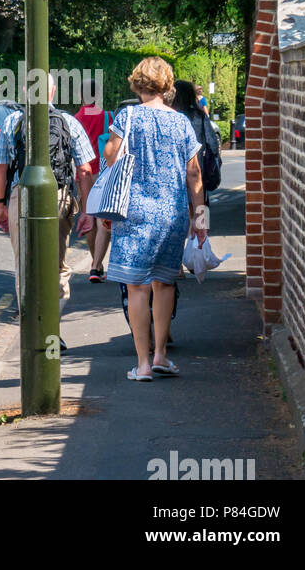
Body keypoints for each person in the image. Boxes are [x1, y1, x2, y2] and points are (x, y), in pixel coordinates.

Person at [104, 57, 207, 381]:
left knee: (136, 288)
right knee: (165, 284)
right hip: (171, 214)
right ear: (167, 85)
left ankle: (143, 363)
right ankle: (161, 355)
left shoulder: (128, 116)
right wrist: (199, 218)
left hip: (133, 212)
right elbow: (194, 172)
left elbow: (110, 154)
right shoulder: (180, 122)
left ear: (137, 84)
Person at [0, 74, 96, 340]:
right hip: (58, 197)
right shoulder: (68, 122)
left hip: (21, 195)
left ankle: (31, 332)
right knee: (57, 266)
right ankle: (50, 329)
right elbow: (85, 171)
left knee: (25, 265)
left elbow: (0, 168)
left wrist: (1, 206)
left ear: (27, 93)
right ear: (52, 93)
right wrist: (86, 211)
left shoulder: (12, 122)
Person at [74, 97, 110, 281]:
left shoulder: (76, 118)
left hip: (83, 175)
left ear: (81, 97)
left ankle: (96, 263)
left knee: (88, 215)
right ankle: (96, 265)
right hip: (104, 172)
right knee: (102, 220)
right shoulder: (108, 116)